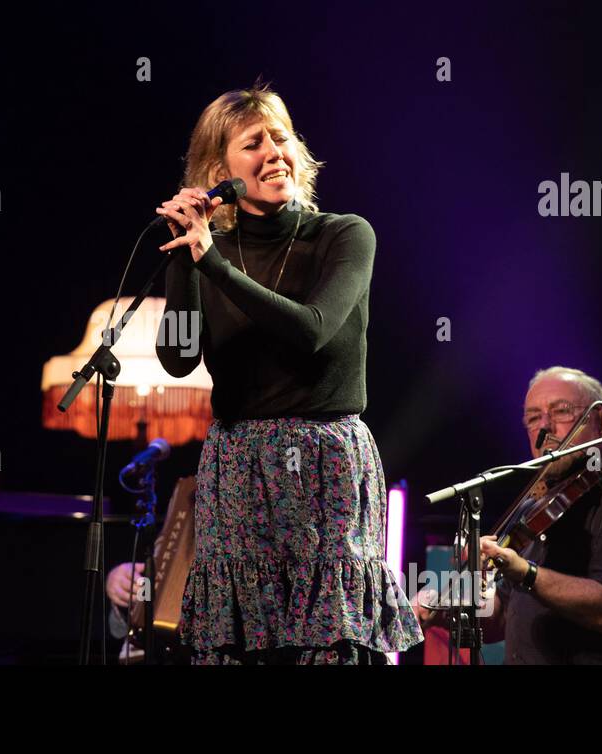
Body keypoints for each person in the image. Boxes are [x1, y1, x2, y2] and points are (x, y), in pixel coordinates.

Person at [152, 81, 422, 664]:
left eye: (281, 137)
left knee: (324, 640)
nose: (274, 151)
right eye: (254, 143)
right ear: (217, 170)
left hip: (322, 458)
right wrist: (187, 252)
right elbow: (178, 357)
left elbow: (311, 330)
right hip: (237, 461)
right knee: (242, 641)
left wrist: (211, 262)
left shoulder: (344, 235)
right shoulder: (208, 249)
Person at [416, 366, 602, 664]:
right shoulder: (536, 503)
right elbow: (505, 617)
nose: (545, 428)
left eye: (562, 411)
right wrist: (441, 608)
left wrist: (525, 571)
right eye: (534, 418)